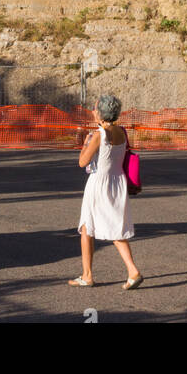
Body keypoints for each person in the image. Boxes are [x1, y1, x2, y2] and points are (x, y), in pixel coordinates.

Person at [69, 92, 143, 290]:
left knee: (91, 227)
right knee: (103, 226)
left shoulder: (98, 135)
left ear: (101, 113)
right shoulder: (122, 132)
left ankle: (96, 274)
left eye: (95, 109)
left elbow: (82, 162)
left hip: (99, 183)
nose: (93, 112)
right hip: (117, 182)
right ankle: (92, 274)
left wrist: (85, 143)